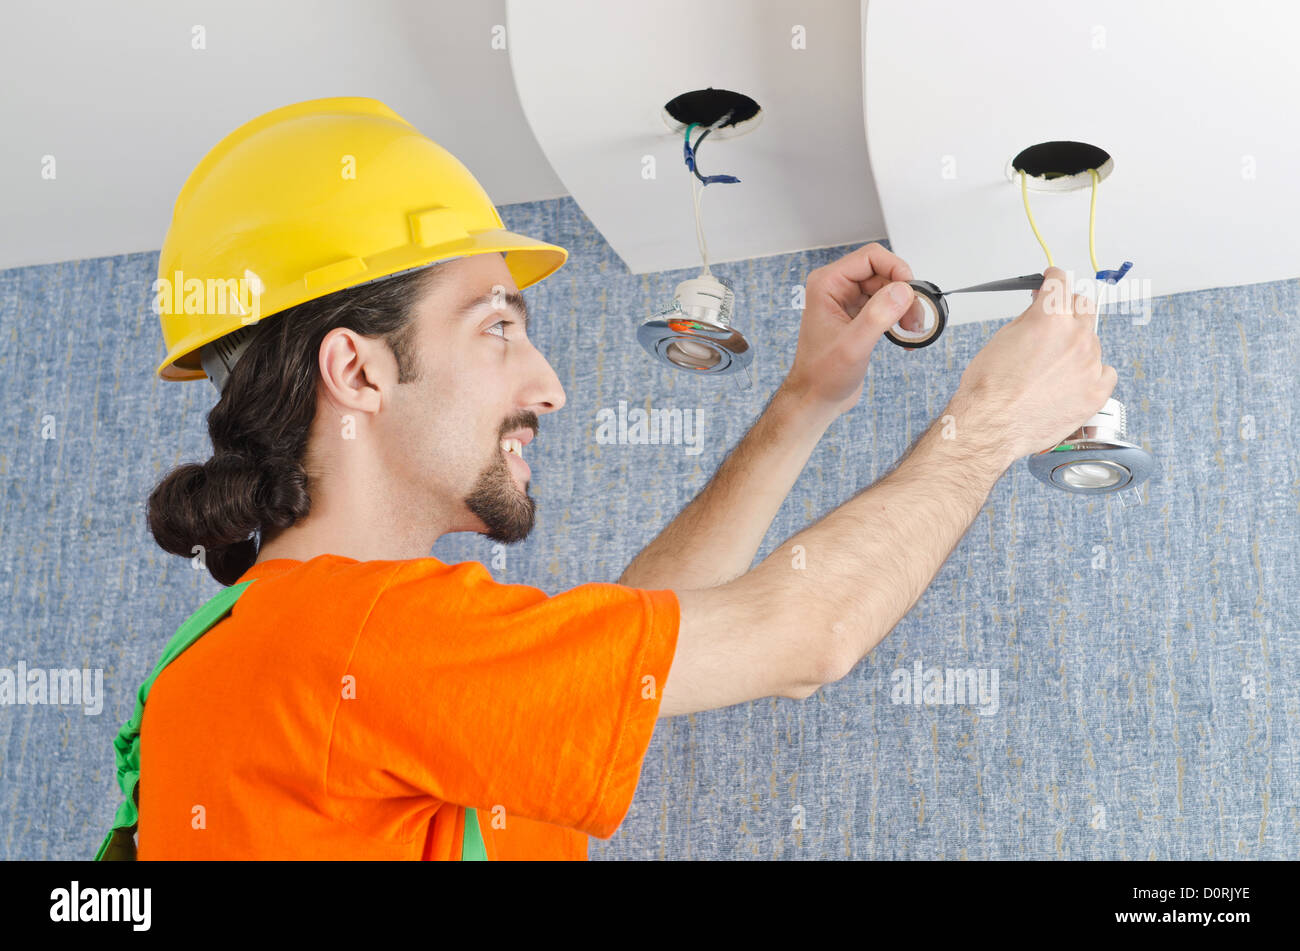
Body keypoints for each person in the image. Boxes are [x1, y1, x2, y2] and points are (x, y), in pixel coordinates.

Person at [131, 98, 1114, 860]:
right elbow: (804, 639)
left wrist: (805, 402)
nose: (547, 386)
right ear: (358, 371)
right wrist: (987, 427)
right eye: (498, 328)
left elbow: (629, 650)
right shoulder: (363, 637)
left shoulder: (248, 652)